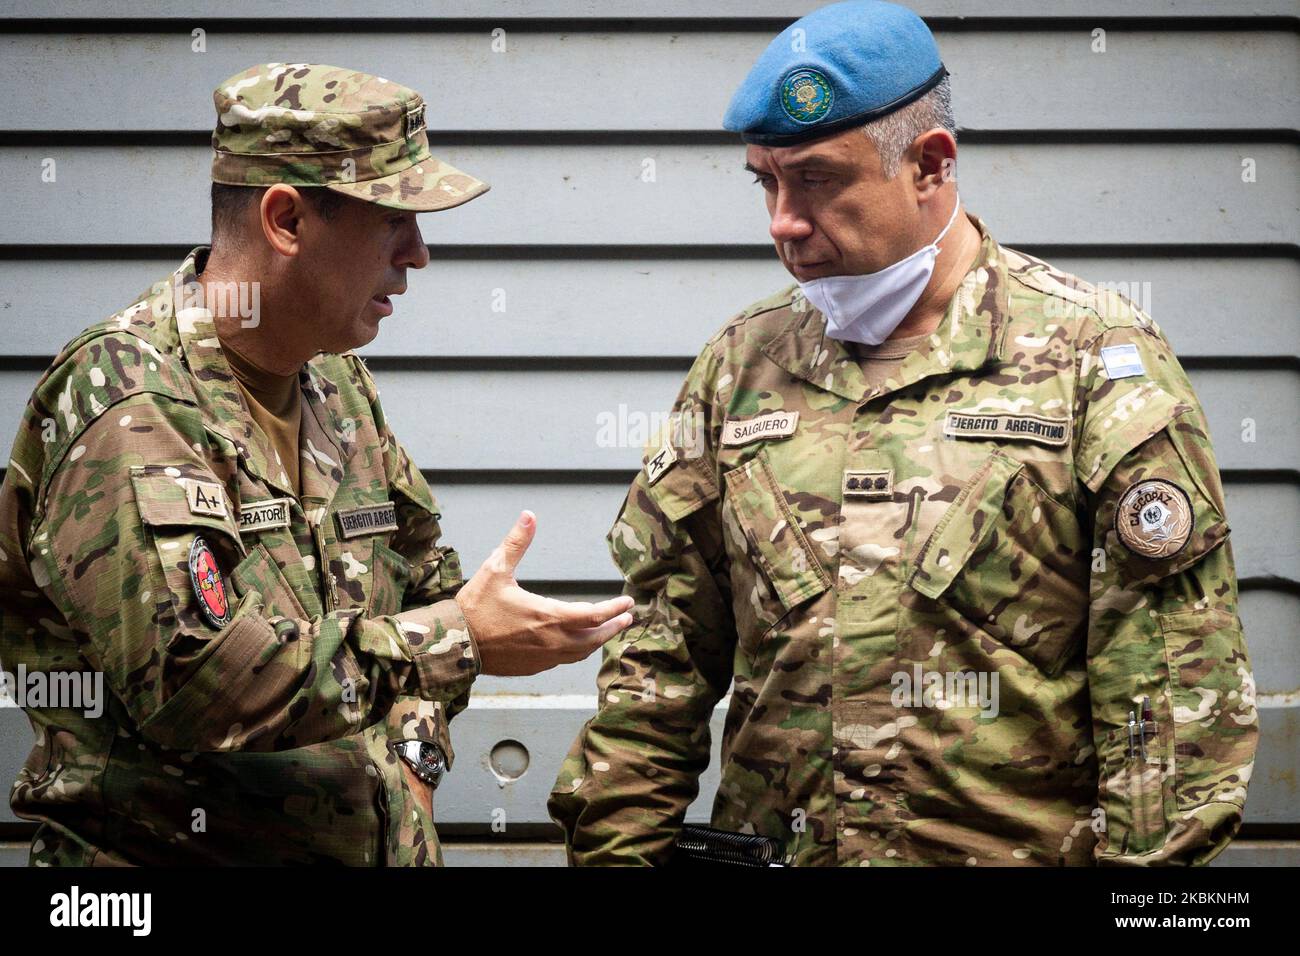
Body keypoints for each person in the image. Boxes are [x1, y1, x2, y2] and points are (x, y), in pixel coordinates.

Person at [548, 1, 1258, 866]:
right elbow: (658, 665)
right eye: (764, 181)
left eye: (815, 179)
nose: (781, 219)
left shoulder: (1091, 360)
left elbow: (1172, 699)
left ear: (930, 165)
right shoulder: (740, 366)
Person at [0, 62, 633, 866]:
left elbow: (423, 589)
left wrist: (416, 759)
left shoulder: (333, 380)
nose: (419, 253)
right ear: (287, 219)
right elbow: (198, 683)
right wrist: (455, 636)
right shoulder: (128, 398)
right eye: (393, 218)